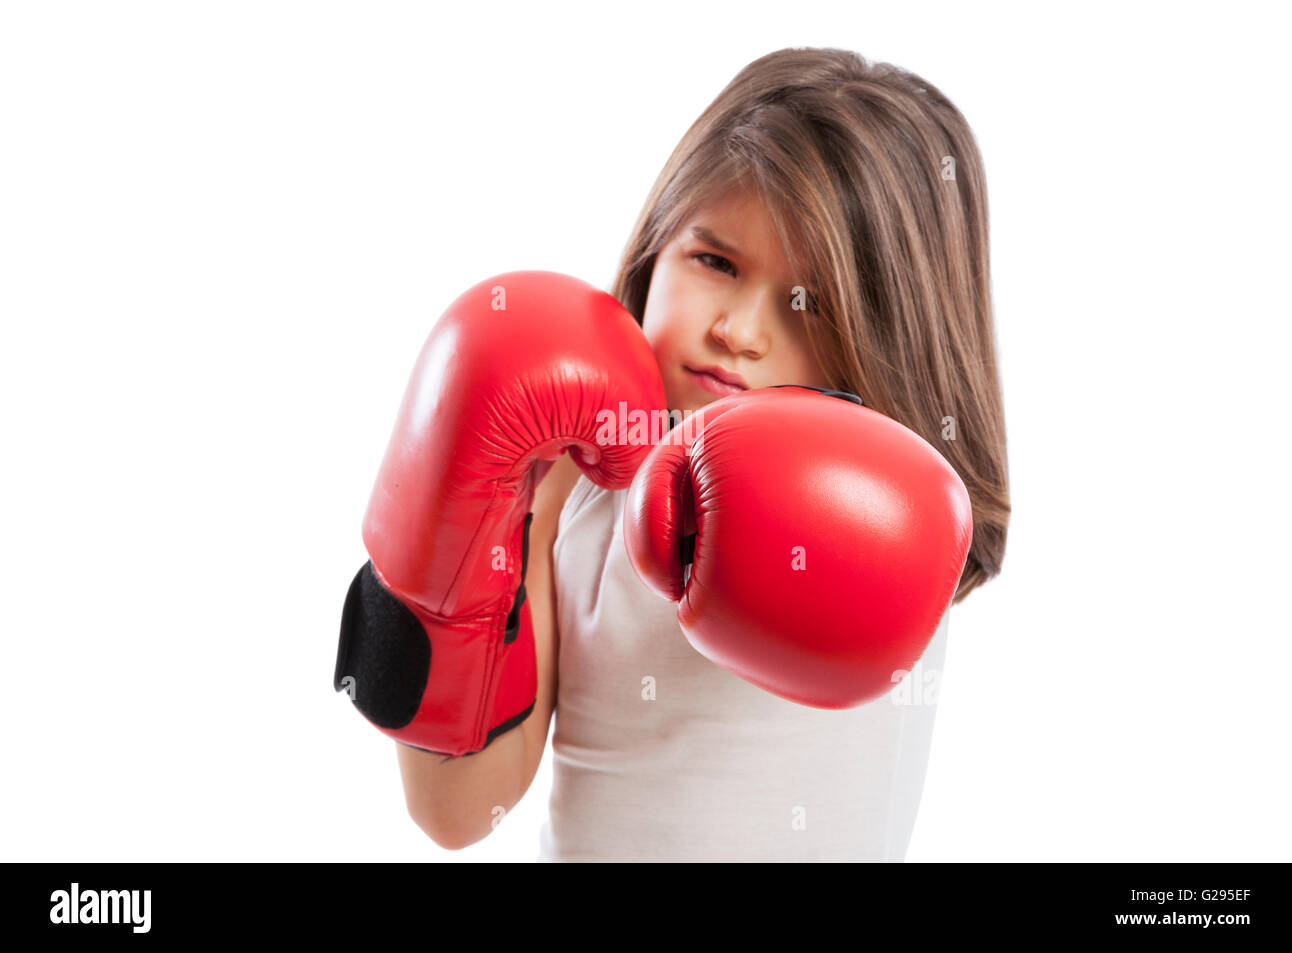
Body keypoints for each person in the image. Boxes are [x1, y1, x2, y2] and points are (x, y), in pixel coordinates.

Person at [391, 46, 1010, 861]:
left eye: (810, 304)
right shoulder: (571, 472)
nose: (740, 331)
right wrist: (457, 526)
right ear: (654, 250)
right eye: (714, 261)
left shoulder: (891, 503)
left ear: (895, 335)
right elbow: (462, 809)